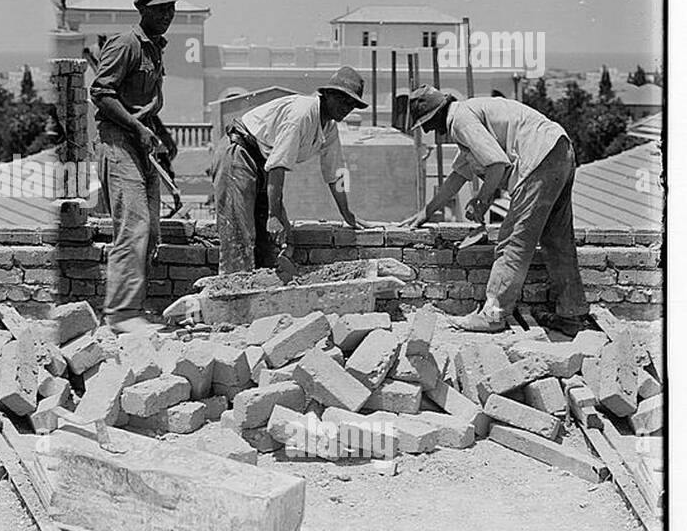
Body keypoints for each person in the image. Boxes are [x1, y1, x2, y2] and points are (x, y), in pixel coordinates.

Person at [402, 86, 588, 334]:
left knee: (512, 242)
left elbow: (497, 164)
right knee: (557, 239)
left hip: (538, 158)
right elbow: (458, 176)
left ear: (436, 115)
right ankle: (571, 314)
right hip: (559, 150)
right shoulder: (469, 115)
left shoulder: (459, 120)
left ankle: (494, 313)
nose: (431, 132)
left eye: (427, 124)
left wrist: (482, 198)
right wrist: (427, 211)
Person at [212, 68, 369, 274]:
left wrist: (347, 212)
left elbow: (337, 171)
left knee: (270, 244)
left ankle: (260, 295)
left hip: (262, 163)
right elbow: (278, 165)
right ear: (328, 94)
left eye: (352, 104)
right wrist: (275, 214)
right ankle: (231, 298)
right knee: (239, 235)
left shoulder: (329, 127)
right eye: (343, 100)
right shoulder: (302, 113)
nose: (346, 108)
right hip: (239, 154)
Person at [90, 0, 180, 333]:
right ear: (142, 10)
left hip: (140, 144)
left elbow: (146, 105)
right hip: (118, 142)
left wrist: (154, 134)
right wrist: (137, 128)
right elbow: (101, 92)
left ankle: (132, 311)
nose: (167, 16)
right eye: (160, 10)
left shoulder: (155, 50)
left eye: (171, 9)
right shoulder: (126, 43)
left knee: (150, 229)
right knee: (133, 225)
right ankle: (121, 314)